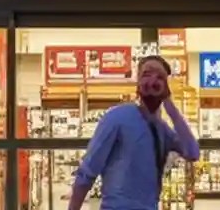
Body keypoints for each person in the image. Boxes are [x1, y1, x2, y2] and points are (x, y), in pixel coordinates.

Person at [68, 55, 201, 210]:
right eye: (146, 74)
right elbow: (87, 172)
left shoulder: (162, 129)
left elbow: (192, 153)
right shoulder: (117, 118)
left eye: (159, 77)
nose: (152, 81)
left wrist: (170, 105)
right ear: (137, 83)